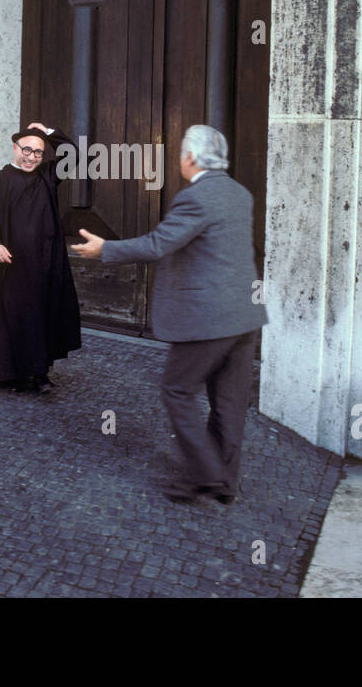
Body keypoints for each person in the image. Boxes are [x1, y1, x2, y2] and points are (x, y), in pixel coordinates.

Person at [71, 124, 266, 503]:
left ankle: (206, 475)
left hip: (209, 319)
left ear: (190, 158)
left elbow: (159, 244)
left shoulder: (197, 198)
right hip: (245, 316)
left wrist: (105, 249)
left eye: (180, 153)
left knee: (177, 390)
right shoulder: (238, 193)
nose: (179, 159)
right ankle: (224, 481)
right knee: (229, 402)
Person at [0, 122, 81, 393]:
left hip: (45, 263)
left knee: (42, 316)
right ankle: (12, 373)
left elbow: (75, 156)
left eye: (38, 152)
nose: (31, 157)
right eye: (27, 150)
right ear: (15, 148)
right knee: (12, 319)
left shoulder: (48, 177)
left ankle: (40, 374)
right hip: (9, 265)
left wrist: (50, 132)